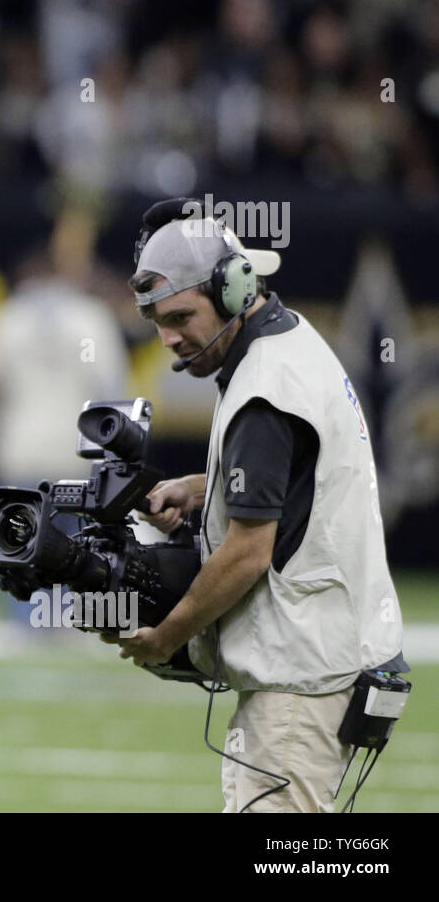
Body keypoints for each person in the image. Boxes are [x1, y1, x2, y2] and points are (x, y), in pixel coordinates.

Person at [116, 197, 406, 813]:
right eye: (156, 322)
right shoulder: (286, 337)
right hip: (330, 658)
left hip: (301, 681)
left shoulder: (263, 388)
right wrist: (203, 488)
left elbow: (249, 554)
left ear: (234, 287)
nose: (169, 338)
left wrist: (167, 636)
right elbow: (304, 476)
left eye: (180, 316)